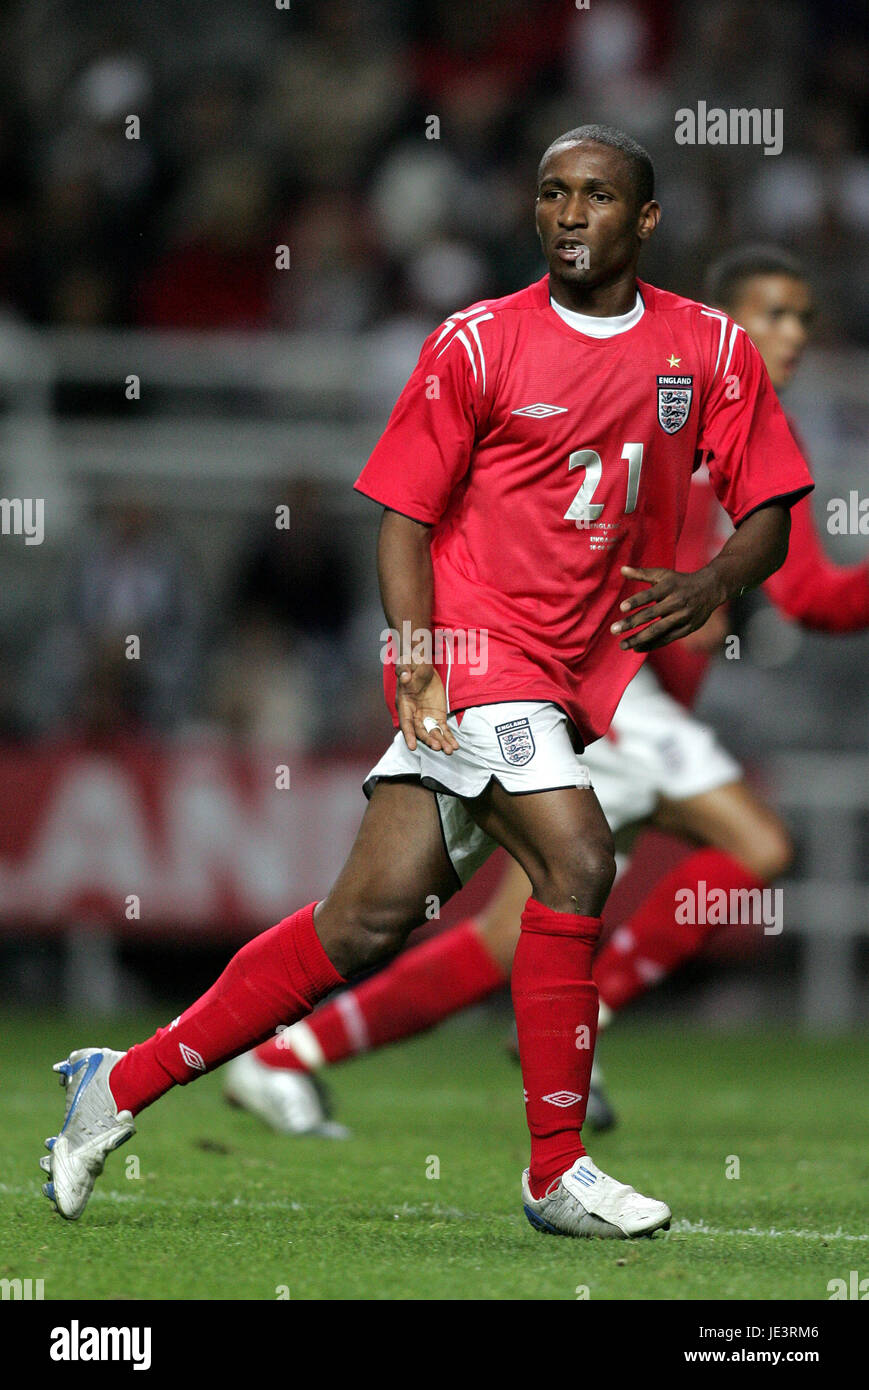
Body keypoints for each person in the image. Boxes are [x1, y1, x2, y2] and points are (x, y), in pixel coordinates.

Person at [41, 126, 812, 1240]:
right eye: (551, 192)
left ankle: (114, 1085)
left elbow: (772, 510)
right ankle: (556, 1171)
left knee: (362, 923)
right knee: (577, 857)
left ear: (645, 219)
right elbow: (402, 518)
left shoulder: (708, 349)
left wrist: (712, 580)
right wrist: (416, 656)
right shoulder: (476, 342)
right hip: (473, 647)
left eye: (596, 196)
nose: (568, 214)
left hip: (566, 671)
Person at [228, 246, 867, 1137]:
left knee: (496, 938)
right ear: (722, 324)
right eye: (772, 316)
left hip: (595, 692)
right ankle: (588, 1033)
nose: (791, 335)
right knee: (756, 844)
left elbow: (801, 595)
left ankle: (287, 1054)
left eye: (802, 319)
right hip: (590, 685)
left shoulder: (740, 427)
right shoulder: (669, 389)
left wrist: (711, 589)